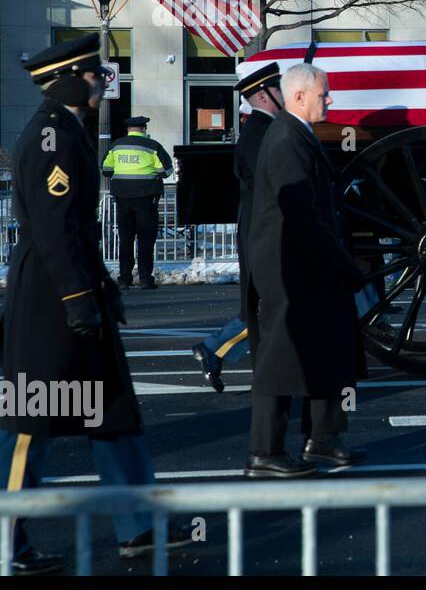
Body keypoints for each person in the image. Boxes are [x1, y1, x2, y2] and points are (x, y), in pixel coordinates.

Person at [1, 35, 185, 573]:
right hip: (52, 299)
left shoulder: (70, 132)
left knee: (112, 415)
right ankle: (6, 539)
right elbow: (57, 231)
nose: (105, 84)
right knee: (30, 420)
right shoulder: (52, 136)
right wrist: (81, 298)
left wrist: (98, 291)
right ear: (72, 79)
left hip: (74, 291)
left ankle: (140, 526)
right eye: (96, 75)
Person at [245, 63, 368, 477]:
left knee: (329, 347)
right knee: (280, 358)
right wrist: (340, 264)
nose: (330, 99)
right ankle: (265, 451)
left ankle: (324, 438)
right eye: (324, 93)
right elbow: (301, 215)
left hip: (305, 264)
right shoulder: (286, 139)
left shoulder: (297, 134)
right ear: (299, 96)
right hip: (290, 267)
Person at [190, 62, 281, 392]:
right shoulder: (260, 132)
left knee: (268, 306)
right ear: (263, 94)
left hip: (260, 226)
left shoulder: (264, 128)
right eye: (279, 87)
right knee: (266, 306)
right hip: (262, 229)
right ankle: (214, 347)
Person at [101, 115, 173, 289]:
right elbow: (166, 171)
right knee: (146, 239)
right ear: (144, 129)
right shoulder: (153, 146)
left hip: (123, 199)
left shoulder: (116, 146)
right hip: (146, 198)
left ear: (128, 129)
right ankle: (145, 279)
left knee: (125, 239)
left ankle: (124, 279)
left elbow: (106, 169)